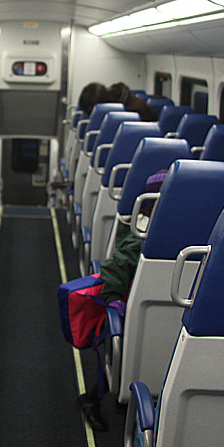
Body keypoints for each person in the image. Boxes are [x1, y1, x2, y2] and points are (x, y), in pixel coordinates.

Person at [77, 168, 167, 431]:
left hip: (156, 310)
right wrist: (115, 300)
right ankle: (92, 399)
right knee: (121, 352)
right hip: (134, 305)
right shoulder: (141, 228)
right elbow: (116, 266)